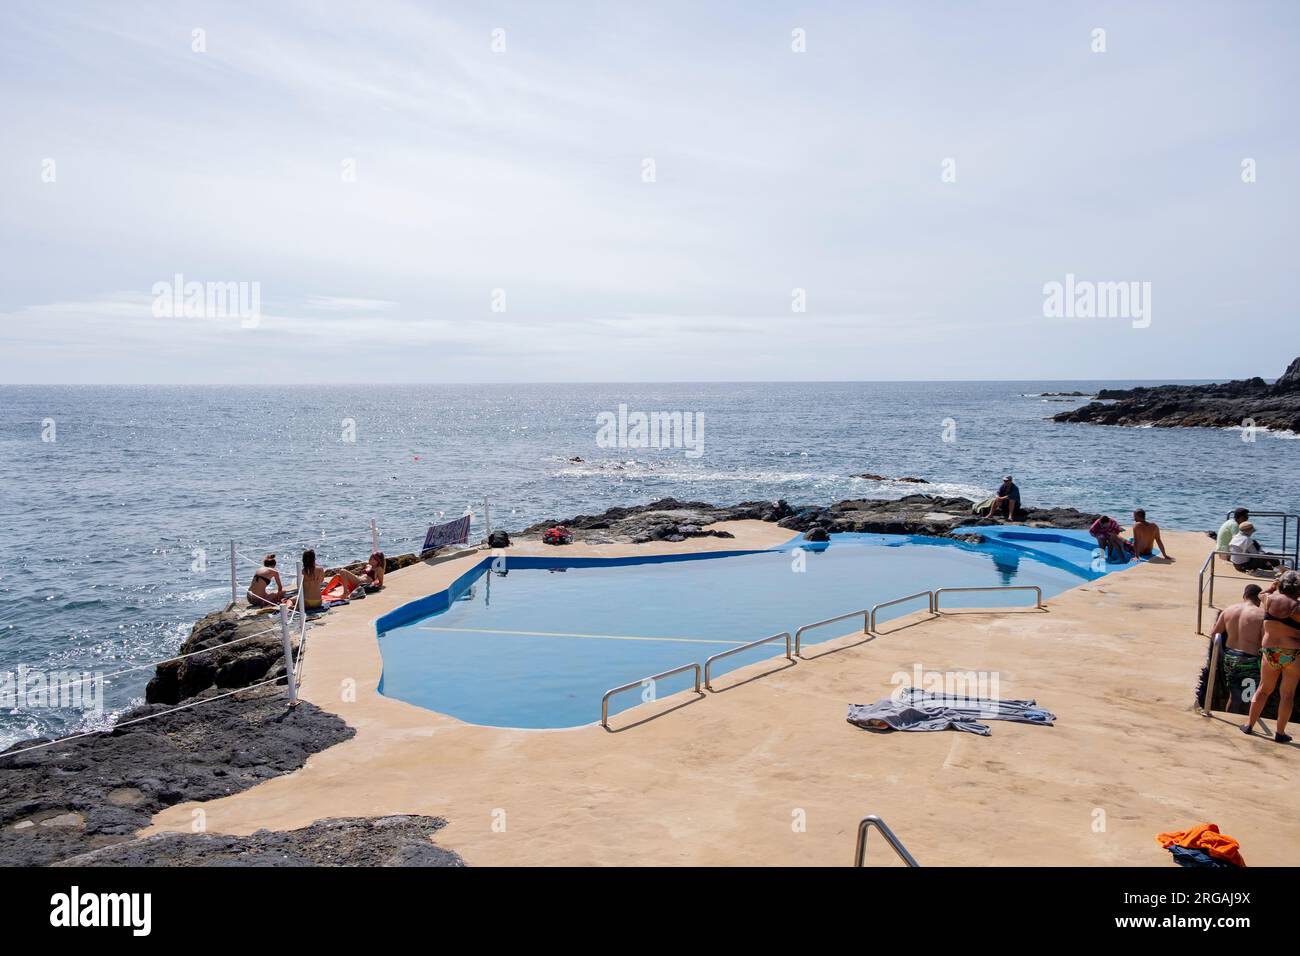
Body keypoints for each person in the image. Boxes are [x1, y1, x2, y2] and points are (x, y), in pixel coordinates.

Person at [1242, 571, 1300, 743]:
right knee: (1287, 694)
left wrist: (1272, 586)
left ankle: (1249, 725)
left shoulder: (1268, 600)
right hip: (1292, 653)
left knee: (1263, 689)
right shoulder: (1297, 608)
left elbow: (1261, 594)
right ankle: (1280, 733)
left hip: (1270, 651)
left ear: (1281, 585)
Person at [1210, 584, 1265, 713]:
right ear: (1259, 600)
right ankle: (1244, 725)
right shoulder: (1262, 615)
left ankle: (1228, 720)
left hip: (1230, 658)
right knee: (1247, 698)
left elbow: (1214, 634)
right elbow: (1264, 642)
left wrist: (1222, 654)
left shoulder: (1228, 610)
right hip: (1250, 663)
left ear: (1244, 596)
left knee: (1234, 697)